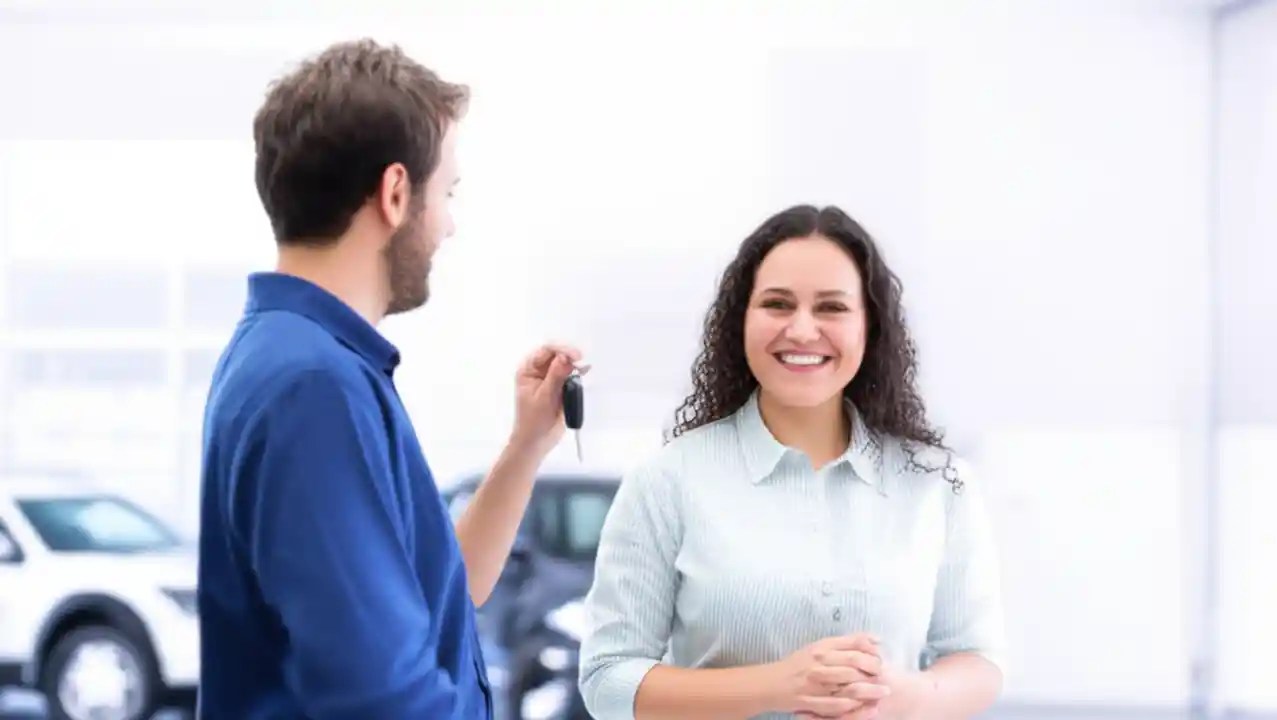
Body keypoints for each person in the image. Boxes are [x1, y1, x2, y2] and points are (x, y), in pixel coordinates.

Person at [196, 39, 581, 720]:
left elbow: (438, 602)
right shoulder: (312, 389)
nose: (450, 225)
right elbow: (382, 696)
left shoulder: (298, 359)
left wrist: (526, 447)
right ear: (396, 192)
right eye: (448, 193)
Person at [578, 204, 1006, 720]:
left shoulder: (940, 482)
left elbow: (977, 660)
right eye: (778, 304)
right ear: (742, 319)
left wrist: (897, 698)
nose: (803, 331)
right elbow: (608, 679)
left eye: (832, 307)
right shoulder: (667, 481)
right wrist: (779, 686)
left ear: (870, 327)